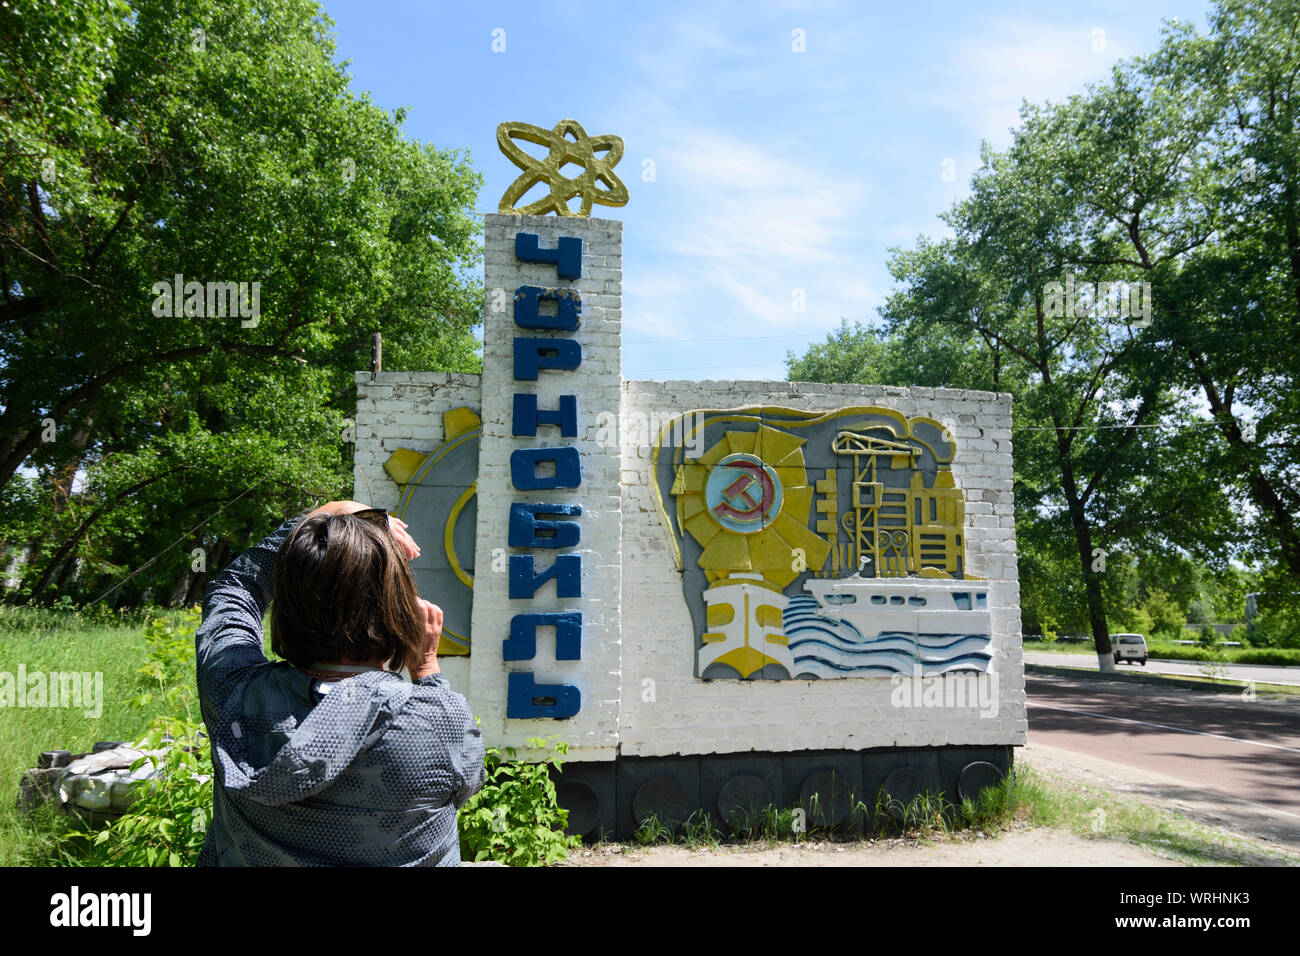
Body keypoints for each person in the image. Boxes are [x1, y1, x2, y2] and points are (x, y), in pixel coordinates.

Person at [193, 499, 485, 866]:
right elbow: (468, 781)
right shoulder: (439, 721)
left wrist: (330, 514)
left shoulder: (232, 693)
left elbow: (236, 587)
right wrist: (426, 667)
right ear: (400, 613)